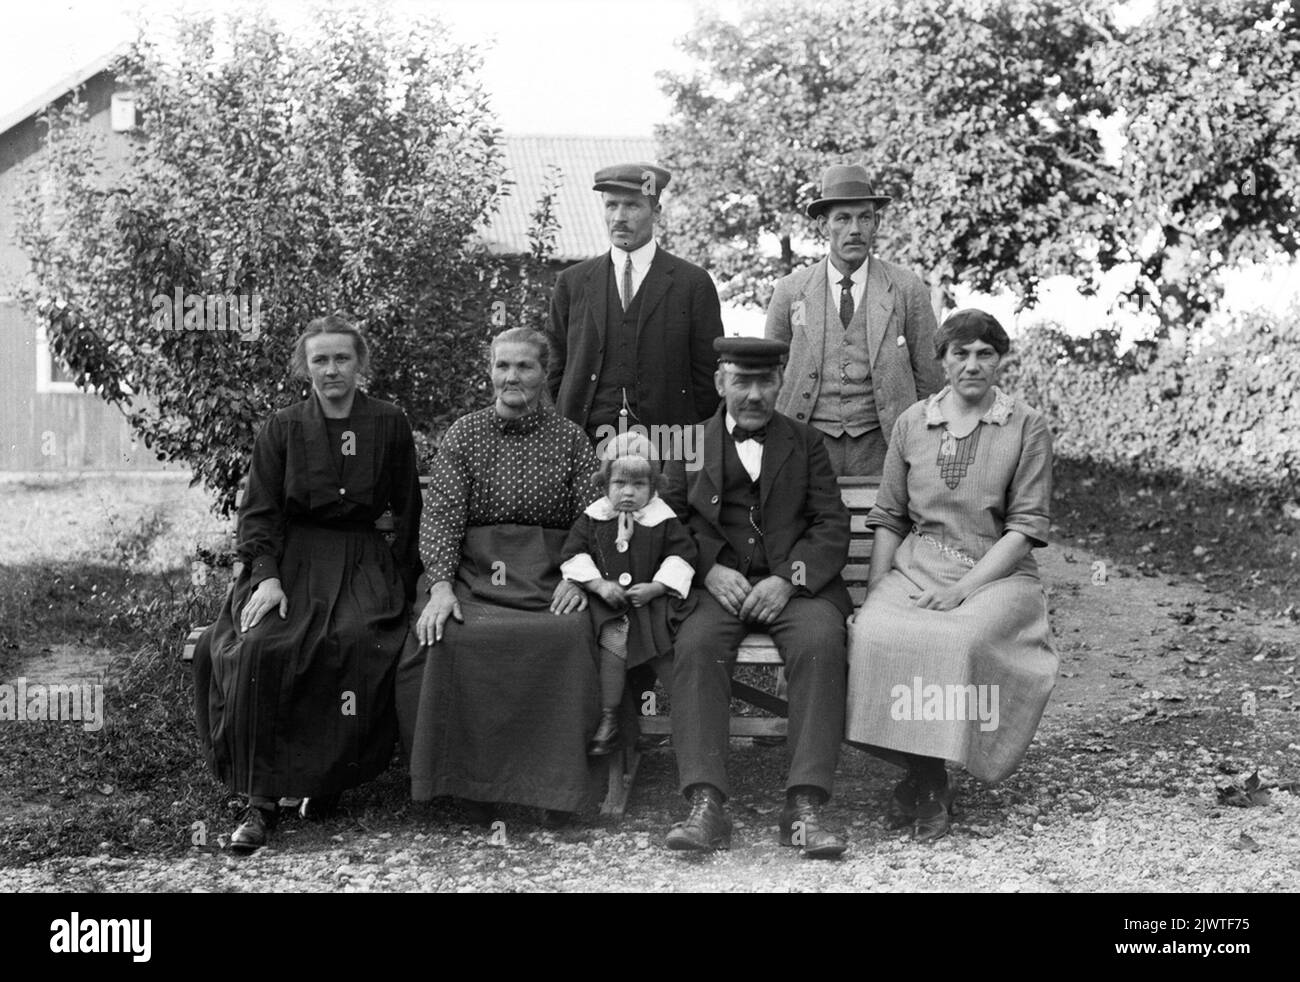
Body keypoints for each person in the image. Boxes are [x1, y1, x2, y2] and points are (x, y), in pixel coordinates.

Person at [192, 314, 422, 854]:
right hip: (293, 565)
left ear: (360, 364)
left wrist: (414, 586)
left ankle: (327, 781)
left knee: (359, 641)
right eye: (320, 359)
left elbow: (409, 513)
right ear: (305, 366)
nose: (332, 369)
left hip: (363, 562)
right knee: (263, 648)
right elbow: (259, 514)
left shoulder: (388, 423)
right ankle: (261, 801)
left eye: (342, 358)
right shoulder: (283, 427)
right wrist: (266, 579)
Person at [845, 309, 1057, 843]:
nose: (972, 364)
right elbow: (890, 515)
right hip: (917, 566)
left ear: (1000, 360)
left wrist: (965, 589)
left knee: (957, 638)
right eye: (960, 353)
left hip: (997, 574)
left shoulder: (1025, 425)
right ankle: (926, 773)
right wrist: (874, 593)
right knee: (873, 633)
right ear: (941, 361)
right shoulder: (913, 423)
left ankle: (928, 779)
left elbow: (1026, 526)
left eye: (985, 353)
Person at [398, 327, 601, 825]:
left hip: (549, 575)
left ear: (544, 373)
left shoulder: (571, 438)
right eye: (502, 366)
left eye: (524, 366)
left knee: (568, 634)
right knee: (453, 635)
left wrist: (578, 578)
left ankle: (555, 790)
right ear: (489, 371)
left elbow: (589, 518)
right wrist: (441, 585)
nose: (512, 377)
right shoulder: (465, 434)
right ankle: (472, 785)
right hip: (476, 572)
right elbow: (443, 515)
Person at [660, 337, 852, 859]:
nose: (753, 394)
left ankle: (806, 805)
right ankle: (706, 804)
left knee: (821, 644)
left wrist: (788, 578)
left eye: (764, 381)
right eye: (741, 381)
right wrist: (710, 569)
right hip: (715, 588)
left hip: (793, 588)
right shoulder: (688, 444)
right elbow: (669, 522)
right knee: (697, 647)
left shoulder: (806, 443)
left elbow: (831, 522)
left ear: (780, 383)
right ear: (721, 382)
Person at [765, 163, 943, 477]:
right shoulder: (791, 290)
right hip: (808, 443)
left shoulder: (906, 287)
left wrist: (922, 448)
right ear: (822, 226)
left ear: (877, 222)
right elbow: (770, 372)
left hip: (883, 445)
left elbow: (929, 378)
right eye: (843, 219)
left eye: (864, 217)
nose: (855, 230)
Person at [547, 162, 725, 443]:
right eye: (611, 205)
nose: (619, 217)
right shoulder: (573, 282)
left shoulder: (693, 283)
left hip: (666, 446)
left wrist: (688, 444)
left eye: (632, 206)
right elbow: (554, 367)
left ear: (656, 213)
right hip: (584, 443)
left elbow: (708, 379)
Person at [559, 433, 697, 756]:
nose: (629, 492)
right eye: (620, 483)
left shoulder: (662, 519)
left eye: (639, 485)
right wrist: (597, 584)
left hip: (652, 604)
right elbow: (574, 554)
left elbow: (682, 556)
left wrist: (658, 586)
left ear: (653, 487)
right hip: (612, 606)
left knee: (668, 649)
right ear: (605, 484)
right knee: (613, 643)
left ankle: (688, 722)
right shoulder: (594, 518)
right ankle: (608, 719)